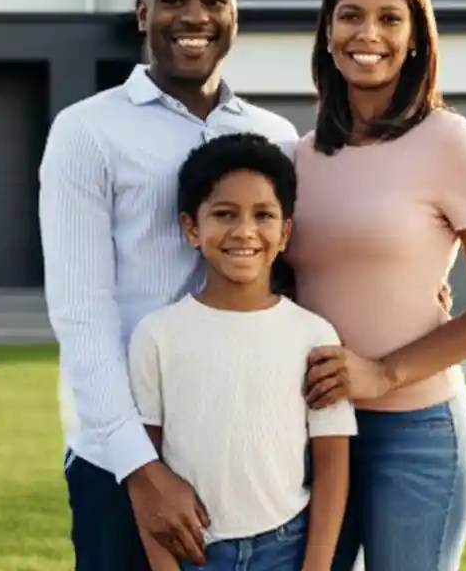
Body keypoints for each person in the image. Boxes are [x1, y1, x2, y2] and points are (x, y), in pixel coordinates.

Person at [38, 0, 299, 569]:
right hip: (119, 459)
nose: (194, 17)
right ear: (141, 12)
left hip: (246, 456)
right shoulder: (86, 131)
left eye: (214, 0)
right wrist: (141, 470)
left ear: (235, 15)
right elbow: (81, 316)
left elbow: (296, 279)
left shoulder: (279, 138)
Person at [287, 0, 466, 570]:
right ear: (327, 31)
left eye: (390, 19)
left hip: (416, 434)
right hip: (315, 431)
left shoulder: (449, 141)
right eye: (350, 16)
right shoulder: (299, 157)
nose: (367, 34)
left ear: (417, 37)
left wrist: (386, 372)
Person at [127, 132, 357, 571]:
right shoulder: (157, 336)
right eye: (224, 214)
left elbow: (332, 465)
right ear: (192, 228)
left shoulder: (314, 335)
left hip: (286, 547)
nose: (245, 231)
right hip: (194, 552)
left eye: (263, 215)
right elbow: (146, 470)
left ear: (285, 231)